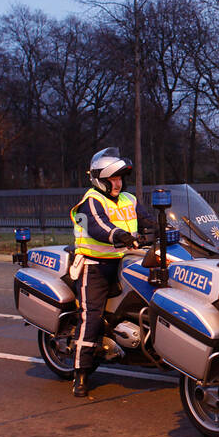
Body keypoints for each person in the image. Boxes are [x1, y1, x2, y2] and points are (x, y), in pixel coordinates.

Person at [69, 147, 156, 398]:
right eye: (112, 179)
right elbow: (98, 226)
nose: (117, 184)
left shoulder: (129, 199)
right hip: (94, 266)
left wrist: (169, 229)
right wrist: (121, 235)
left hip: (124, 263)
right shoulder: (91, 201)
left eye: (119, 179)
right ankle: (81, 372)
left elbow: (147, 219)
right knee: (91, 316)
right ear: (100, 180)